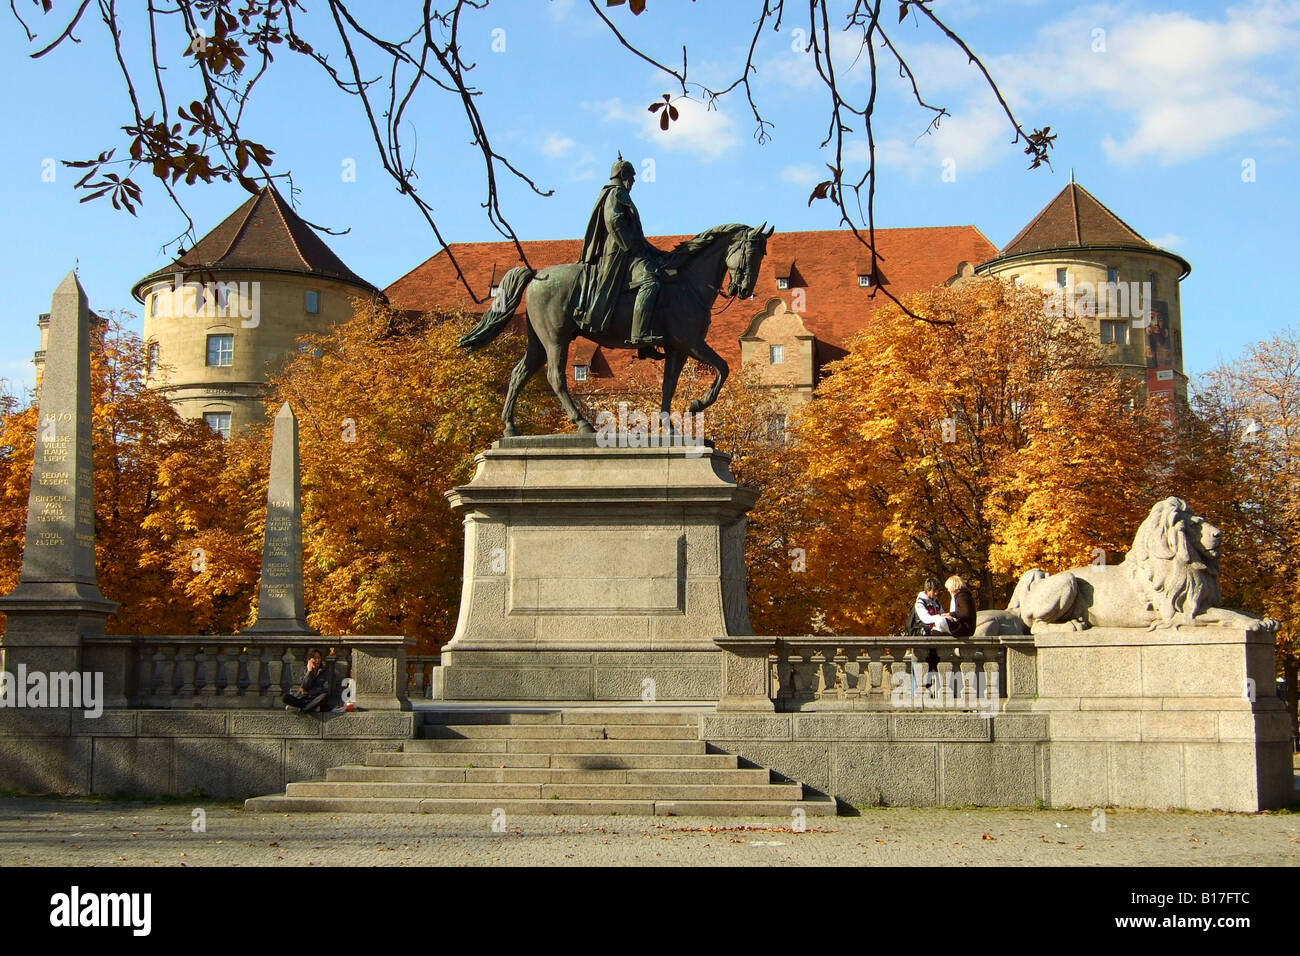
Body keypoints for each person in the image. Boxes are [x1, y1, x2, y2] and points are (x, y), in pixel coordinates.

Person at [574, 154, 665, 348]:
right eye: (631, 177)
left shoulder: (617, 193)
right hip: (619, 252)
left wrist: (653, 250)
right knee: (650, 281)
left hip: (626, 249)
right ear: (623, 175)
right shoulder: (616, 193)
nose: (633, 182)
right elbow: (613, 220)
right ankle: (639, 334)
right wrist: (632, 247)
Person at [284, 648, 330, 713]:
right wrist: (309, 671)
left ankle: (303, 709)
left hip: (316, 697)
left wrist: (309, 692)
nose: (317, 660)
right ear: (309, 660)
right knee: (286, 697)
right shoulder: (304, 671)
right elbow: (303, 687)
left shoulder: (325, 671)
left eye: (319, 658)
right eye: (314, 658)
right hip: (304, 698)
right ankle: (310, 707)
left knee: (324, 695)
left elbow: (325, 689)